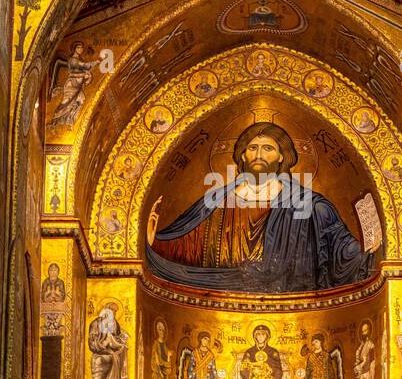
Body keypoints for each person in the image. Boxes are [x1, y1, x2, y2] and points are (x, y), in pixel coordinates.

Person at [146, 122, 379, 292]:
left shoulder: (309, 203)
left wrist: (369, 253)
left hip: (291, 298)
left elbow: (341, 251)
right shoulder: (217, 199)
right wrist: (154, 240)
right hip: (221, 288)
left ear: (281, 157)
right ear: (243, 156)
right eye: (252, 148)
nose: (259, 154)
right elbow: (187, 244)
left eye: (268, 148)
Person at [88, 304, 128, 379]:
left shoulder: (115, 325)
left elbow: (117, 338)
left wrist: (120, 341)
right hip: (99, 358)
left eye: (116, 311)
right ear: (106, 310)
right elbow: (92, 343)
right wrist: (104, 344)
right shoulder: (96, 324)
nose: (114, 313)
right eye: (112, 310)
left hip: (113, 358)